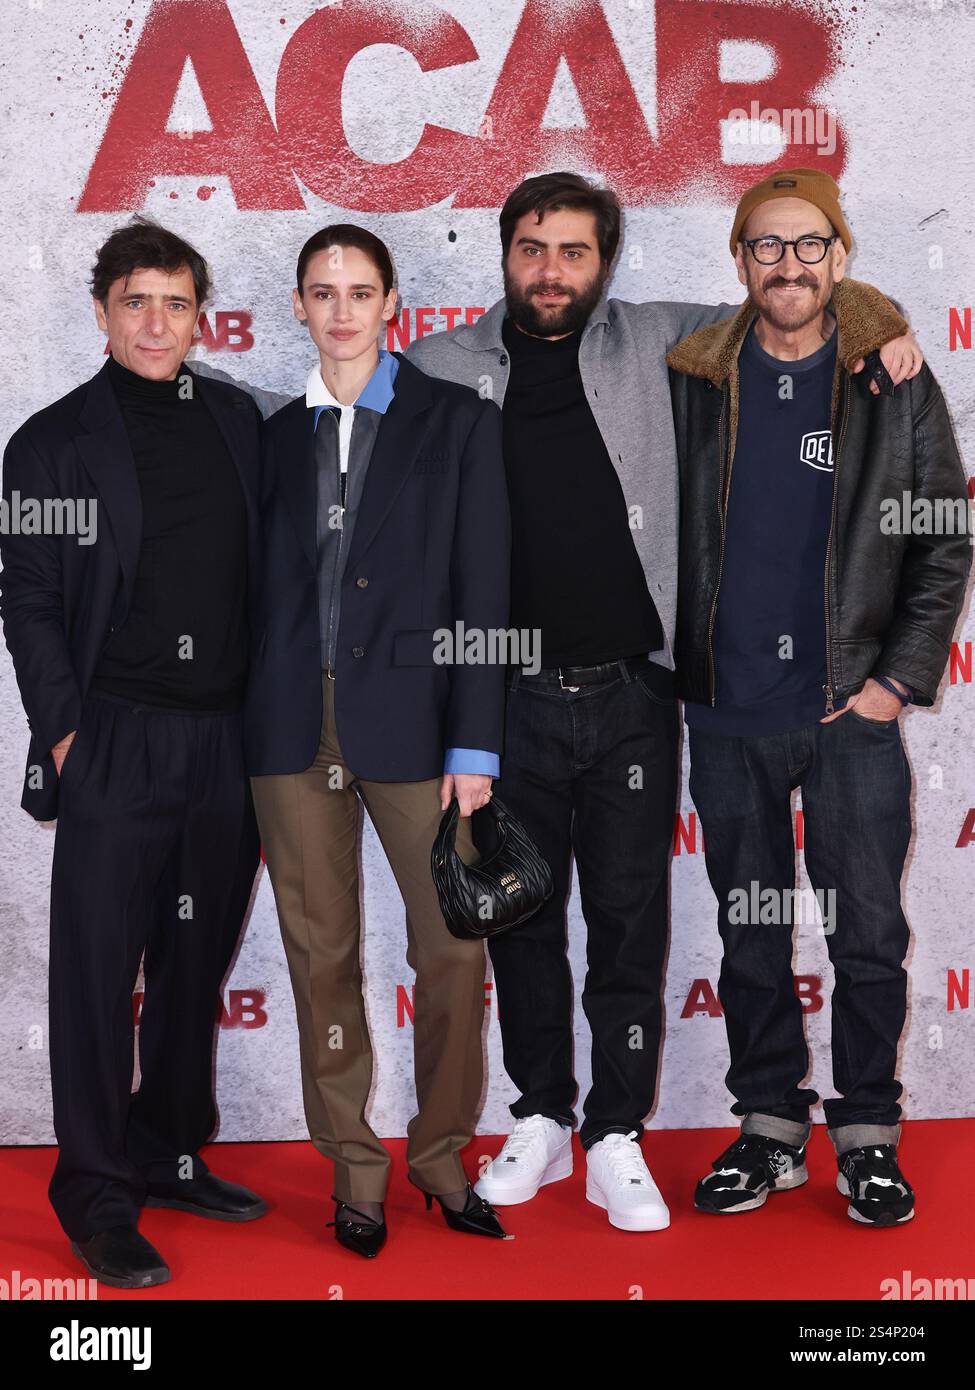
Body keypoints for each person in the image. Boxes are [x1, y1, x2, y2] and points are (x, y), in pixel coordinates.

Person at [193, 173, 921, 1234]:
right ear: (504, 254)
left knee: (628, 924)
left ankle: (616, 1130)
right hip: (501, 694)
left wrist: (883, 323)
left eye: (573, 252)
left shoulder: (666, 341)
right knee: (518, 921)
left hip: (633, 686)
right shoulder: (442, 364)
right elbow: (316, 401)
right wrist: (170, 366)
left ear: (605, 263)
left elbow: (787, 298)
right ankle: (540, 1112)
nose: (550, 270)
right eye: (532, 248)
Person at [666, 168, 970, 1225]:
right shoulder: (695, 375)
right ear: (741, 261)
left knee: (868, 932)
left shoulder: (892, 382)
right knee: (751, 931)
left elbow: (942, 540)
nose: (786, 265)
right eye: (766, 246)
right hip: (728, 709)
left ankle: (870, 1134)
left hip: (851, 712)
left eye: (808, 246)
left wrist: (896, 681)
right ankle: (770, 1128)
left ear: (838, 258)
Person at [0, 217, 266, 1289]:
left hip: (227, 743)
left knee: (194, 965)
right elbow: (27, 601)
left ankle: (167, 1149)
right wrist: (68, 738)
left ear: (201, 313)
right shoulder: (52, 442)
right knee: (101, 977)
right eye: (136, 302)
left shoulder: (242, 422)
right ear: (104, 312)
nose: (157, 322)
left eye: (176, 302)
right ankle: (97, 1193)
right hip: (113, 737)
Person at [243, 225, 511, 1258]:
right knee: (321, 954)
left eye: (361, 289)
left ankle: (442, 1156)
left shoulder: (456, 425)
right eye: (323, 291)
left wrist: (476, 746)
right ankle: (353, 1167)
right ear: (300, 306)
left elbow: (487, 589)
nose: (343, 309)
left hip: (423, 726)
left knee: (451, 945)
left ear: (394, 299)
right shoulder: (268, 437)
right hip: (287, 725)